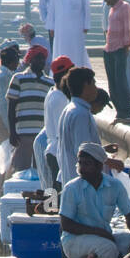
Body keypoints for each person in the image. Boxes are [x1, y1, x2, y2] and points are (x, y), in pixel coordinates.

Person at [60, 142, 130, 258]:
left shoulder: (115, 186)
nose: (81, 167)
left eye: (86, 163)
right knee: (108, 248)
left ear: (98, 165)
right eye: (80, 162)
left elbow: (129, 215)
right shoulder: (72, 188)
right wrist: (99, 232)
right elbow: (66, 225)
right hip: (74, 241)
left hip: (102, 237)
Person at [7, 43, 53, 173]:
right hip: (23, 134)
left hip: (43, 134)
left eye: (43, 58)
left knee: (42, 172)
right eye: (37, 58)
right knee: (21, 170)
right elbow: (11, 108)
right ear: (30, 59)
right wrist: (12, 132)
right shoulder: (18, 79)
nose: (41, 61)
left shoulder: (50, 82)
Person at [57, 67, 101, 185]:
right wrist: (110, 161)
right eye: (94, 83)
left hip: (73, 181)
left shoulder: (71, 109)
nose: (96, 88)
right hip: (83, 186)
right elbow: (84, 153)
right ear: (86, 85)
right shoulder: (80, 114)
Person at [101, 0, 130, 123]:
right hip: (109, 48)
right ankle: (119, 111)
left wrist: (128, 46)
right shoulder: (112, 9)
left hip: (120, 49)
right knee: (112, 83)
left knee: (121, 82)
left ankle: (127, 111)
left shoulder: (125, 7)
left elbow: (128, 28)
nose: (105, 0)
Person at [46, 0, 90, 68]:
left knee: (77, 51)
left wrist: (86, 24)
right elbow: (52, 9)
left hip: (77, 27)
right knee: (61, 50)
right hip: (60, 28)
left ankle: (78, 69)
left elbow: (86, 7)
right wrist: (51, 27)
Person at [43, 54, 74, 187]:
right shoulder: (59, 98)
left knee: (53, 197)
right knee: (56, 198)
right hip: (57, 153)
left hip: (53, 151)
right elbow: (61, 133)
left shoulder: (52, 92)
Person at [0, 41, 20, 147]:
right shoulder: (3, 77)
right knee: (7, 159)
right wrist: (12, 130)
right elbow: (4, 106)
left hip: (2, 120)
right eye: (17, 60)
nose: (18, 63)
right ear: (11, 62)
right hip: (3, 122)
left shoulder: (4, 74)